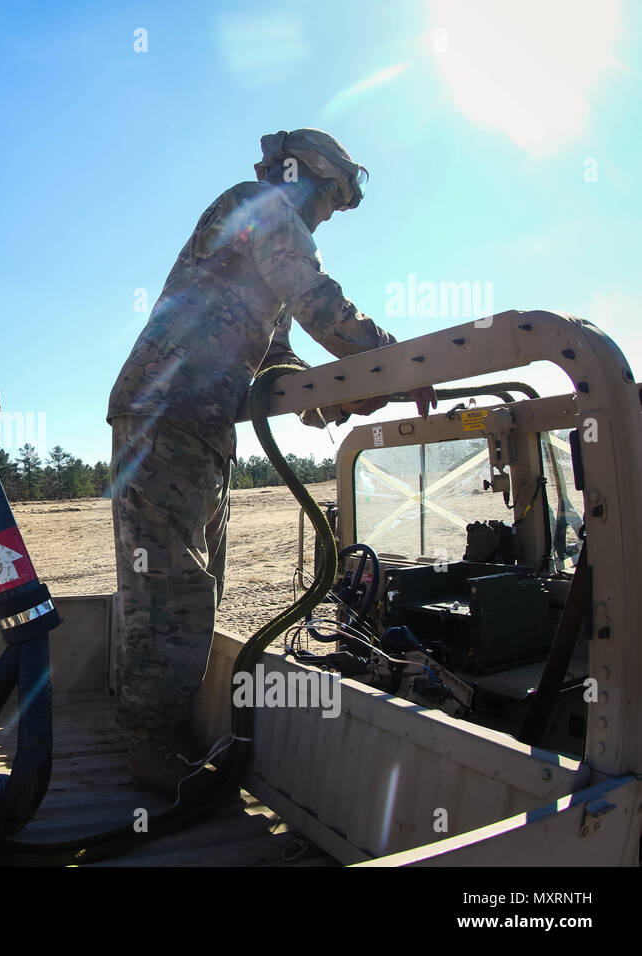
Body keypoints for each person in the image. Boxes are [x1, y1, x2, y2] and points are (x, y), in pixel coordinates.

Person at [107, 128, 437, 794]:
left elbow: (279, 354)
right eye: (330, 201)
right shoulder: (261, 207)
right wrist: (399, 363)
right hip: (166, 415)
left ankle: (154, 734)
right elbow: (321, 303)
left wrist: (330, 397)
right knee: (172, 590)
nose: (325, 218)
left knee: (192, 586)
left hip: (199, 422)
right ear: (307, 179)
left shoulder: (262, 250)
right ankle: (150, 749)